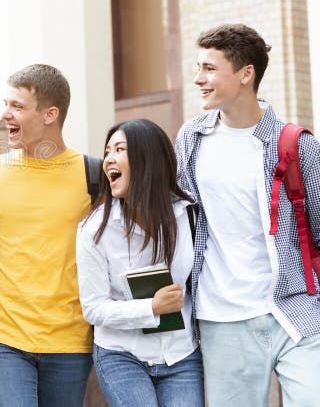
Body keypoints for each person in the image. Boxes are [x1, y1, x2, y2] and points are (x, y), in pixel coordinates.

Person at [175, 24, 320, 406]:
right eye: (198, 68)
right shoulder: (191, 139)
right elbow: (181, 220)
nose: (198, 78)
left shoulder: (296, 145)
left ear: (245, 74)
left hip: (297, 309)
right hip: (223, 318)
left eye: (209, 68)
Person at [0, 64, 93, 407]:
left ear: (50, 114)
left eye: (17, 106)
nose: (4, 114)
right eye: (5, 104)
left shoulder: (93, 175)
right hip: (2, 334)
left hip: (69, 339)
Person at [76, 119, 203, 407]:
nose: (108, 159)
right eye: (107, 151)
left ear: (148, 159)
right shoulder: (94, 230)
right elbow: (93, 308)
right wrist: (151, 308)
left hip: (181, 354)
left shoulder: (189, 215)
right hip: (121, 354)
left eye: (119, 149)